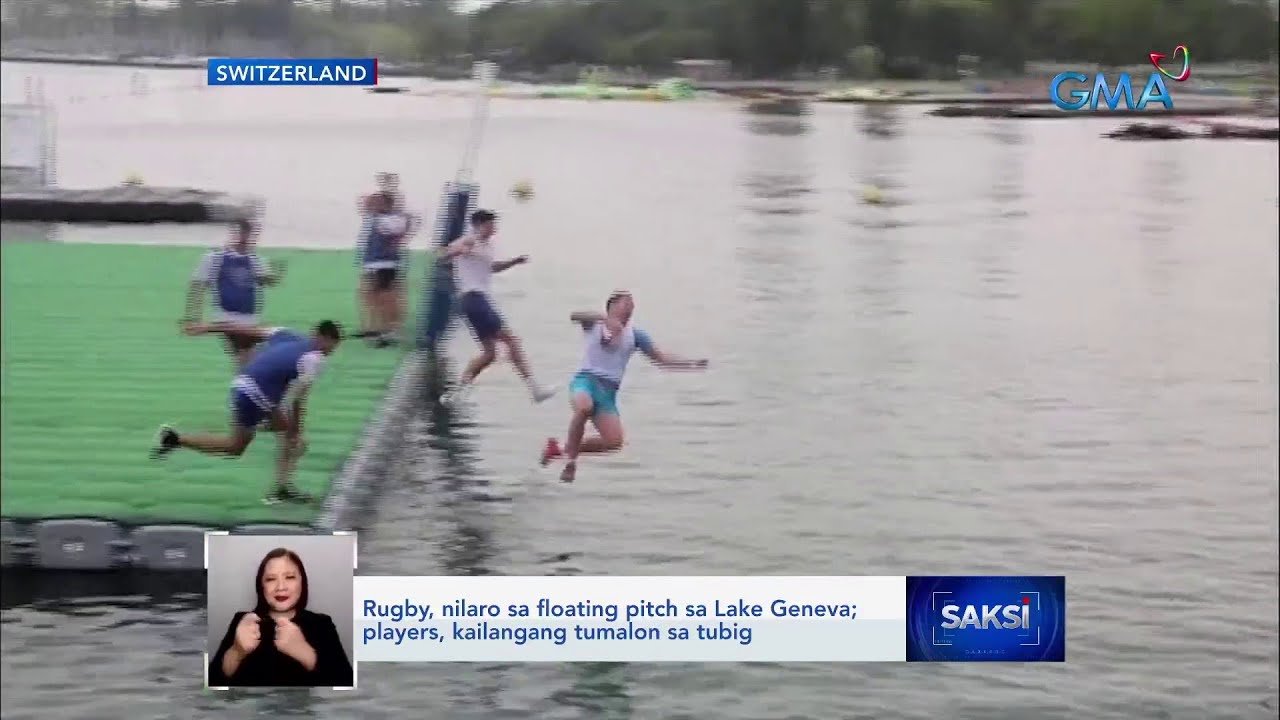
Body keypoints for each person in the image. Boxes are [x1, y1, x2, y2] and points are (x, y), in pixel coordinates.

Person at [149, 320, 344, 504]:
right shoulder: (315, 359)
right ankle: (174, 439)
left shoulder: (286, 334)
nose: (329, 352)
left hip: (243, 383)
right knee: (237, 446)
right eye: (330, 347)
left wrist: (207, 327)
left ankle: (282, 486)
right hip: (258, 395)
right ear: (321, 338)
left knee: (285, 432)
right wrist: (297, 431)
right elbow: (299, 399)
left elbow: (242, 329)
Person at [540, 291, 708, 483]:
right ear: (612, 306)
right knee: (585, 407)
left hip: (608, 392)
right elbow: (574, 316)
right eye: (625, 303)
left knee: (614, 442)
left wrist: (692, 363)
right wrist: (604, 318)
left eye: (632, 305)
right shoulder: (595, 324)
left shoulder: (635, 335)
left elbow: (661, 359)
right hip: (585, 381)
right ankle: (571, 462)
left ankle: (559, 449)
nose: (630, 307)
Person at [439, 209, 556, 405]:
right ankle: (535, 390)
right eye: (490, 224)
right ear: (478, 225)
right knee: (512, 341)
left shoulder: (488, 245)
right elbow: (444, 255)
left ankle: (457, 394)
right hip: (474, 298)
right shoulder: (468, 240)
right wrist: (458, 251)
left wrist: (514, 262)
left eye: (494, 224)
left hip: (475, 301)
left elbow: (492, 268)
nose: (494, 228)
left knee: (490, 353)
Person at [208, 547, 354, 688]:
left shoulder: (322, 624)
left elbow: (345, 686)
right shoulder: (242, 621)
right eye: (270, 579)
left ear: (302, 583)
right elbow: (213, 684)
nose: (281, 587)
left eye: (290, 577)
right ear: (261, 586)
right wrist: (236, 651)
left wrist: (305, 652)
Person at [184, 219, 284, 369]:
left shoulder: (255, 260)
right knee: (246, 351)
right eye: (240, 233)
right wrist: (194, 317)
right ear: (232, 234)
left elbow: (264, 280)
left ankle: (246, 383)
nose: (244, 239)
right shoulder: (215, 258)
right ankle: (248, 380)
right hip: (226, 317)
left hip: (250, 318)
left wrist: (274, 277)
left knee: (248, 358)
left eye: (248, 235)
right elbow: (198, 285)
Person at [358, 191, 416, 347]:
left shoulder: (388, 220)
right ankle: (378, 328)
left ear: (384, 204)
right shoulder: (378, 219)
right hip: (373, 263)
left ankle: (391, 329)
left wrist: (402, 233)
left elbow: (401, 227)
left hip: (383, 264)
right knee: (370, 297)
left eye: (374, 203)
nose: (369, 206)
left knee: (385, 298)